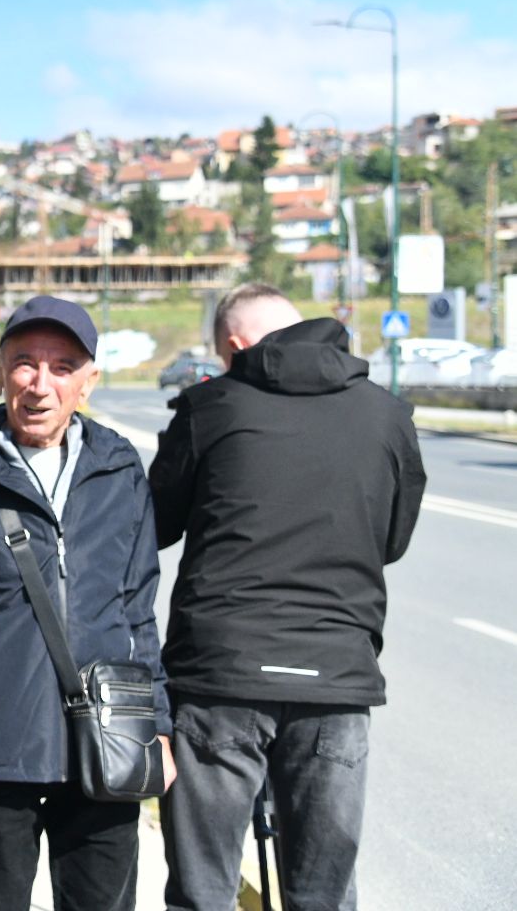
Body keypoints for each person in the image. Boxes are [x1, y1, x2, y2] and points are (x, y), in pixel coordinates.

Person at [0, 294, 173, 911]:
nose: (40, 385)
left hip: (108, 743)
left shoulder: (120, 469)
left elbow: (138, 612)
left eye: (62, 366)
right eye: (25, 363)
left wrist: (161, 727)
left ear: (89, 381)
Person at [149, 282, 426, 911]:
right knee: (322, 894)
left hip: (221, 677)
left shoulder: (209, 406)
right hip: (335, 677)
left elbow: (155, 525)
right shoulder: (387, 415)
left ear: (237, 345)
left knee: (202, 890)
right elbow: (391, 541)